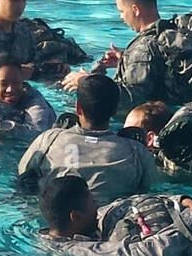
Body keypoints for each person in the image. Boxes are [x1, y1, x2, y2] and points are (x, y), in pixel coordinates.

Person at [61, 0, 192, 111]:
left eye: (121, 11)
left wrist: (86, 83)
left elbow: (131, 100)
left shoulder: (142, 48)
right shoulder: (174, 35)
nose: (121, 17)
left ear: (135, 10)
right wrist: (125, 60)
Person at [16, 75, 157, 200]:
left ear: (78, 108)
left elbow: (23, 174)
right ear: (115, 110)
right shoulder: (137, 152)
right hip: (111, 220)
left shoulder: (48, 140)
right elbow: (152, 187)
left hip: (56, 219)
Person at [38, 174, 192, 256]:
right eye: (91, 201)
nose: (97, 205)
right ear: (75, 216)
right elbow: (145, 253)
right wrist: (191, 222)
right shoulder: (78, 252)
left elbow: (126, 204)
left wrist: (182, 200)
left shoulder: (68, 227)